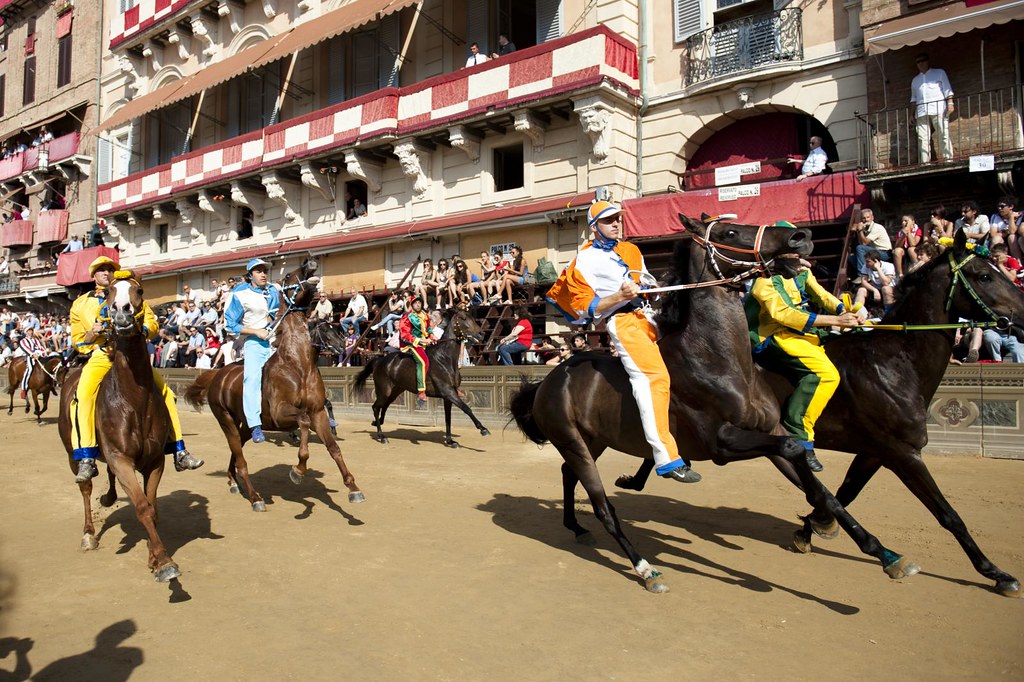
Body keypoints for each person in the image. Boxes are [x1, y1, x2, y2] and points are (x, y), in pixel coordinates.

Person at [546, 200, 700, 483]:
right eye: (609, 220)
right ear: (595, 228)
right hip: (624, 323)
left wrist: (652, 290)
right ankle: (666, 458)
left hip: (651, 316)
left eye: (618, 218)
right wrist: (619, 296)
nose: (617, 223)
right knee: (653, 379)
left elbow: (648, 282)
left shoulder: (632, 250)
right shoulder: (583, 260)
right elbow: (583, 309)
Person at [68, 256, 203, 482]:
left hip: (131, 358)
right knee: (82, 396)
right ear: (93, 276)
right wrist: (93, 332)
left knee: (167, 394)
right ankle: (86, 457)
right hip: (102, 356)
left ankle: (179, 450)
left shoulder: (130, 292)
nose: (106, 272)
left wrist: (142, 326)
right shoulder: (80, 304)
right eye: (101, 269)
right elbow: (79, 343)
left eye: (110, 269)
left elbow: (152, 325)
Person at [744, 228, 864, 472]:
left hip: (801, 333)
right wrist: (836, 322)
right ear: (779, 257)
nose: (803, 262)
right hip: (772, 336)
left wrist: (843, 311)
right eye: (795, 257)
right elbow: (786, 315)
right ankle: (799, 437)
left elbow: (822, 296)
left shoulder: (802, 272)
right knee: (825, 374)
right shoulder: (762, 283)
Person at [224, 258, 280, 444]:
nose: (263, 274)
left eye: (265, 270)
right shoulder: (239, 293)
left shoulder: (274, 290)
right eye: (258, 271)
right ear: (250, 276)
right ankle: (255, 425)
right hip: (255, 343)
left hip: (277, 341)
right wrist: (256, 331)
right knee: (252, 379)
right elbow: (230, 325)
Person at [910, 53, 954, 163]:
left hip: (938, 108)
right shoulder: (915, 80)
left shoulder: (939, 73)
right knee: (922, 138)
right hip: (921, 111)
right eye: (918, 62)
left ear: (927, 61)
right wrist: (911, 114)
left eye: (923, 60)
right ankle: (925, 162)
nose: (921, 63)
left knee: (943, 133)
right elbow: (913, 98)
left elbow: (947, 89)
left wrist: (950, 102)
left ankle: (948, 158)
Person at [398, 296, 433, 402]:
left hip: (425, 342)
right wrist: (421, 340)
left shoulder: (425, 315)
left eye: (419, 303)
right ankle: (421, 390)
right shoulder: (407, 317)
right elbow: (404, 335)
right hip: (412, 344)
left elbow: (428, 328)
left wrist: (431, 335)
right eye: (416, 303)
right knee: (423, 362)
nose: (418, 304)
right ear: (412, 305)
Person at [848, 208, 892, 281]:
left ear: (872, 218)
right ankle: (868, 273)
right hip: (873, 252)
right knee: (851, 258)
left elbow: (864, 243)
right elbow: (862, 243)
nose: (866, 219)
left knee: (860, 248)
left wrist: (860, 230)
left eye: (868, 217)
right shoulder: (865, 228)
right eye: (864, 218)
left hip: (885, 253)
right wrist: (858, 230)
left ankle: (863, 275)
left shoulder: (876, 227)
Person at [854, 249, 897, 313]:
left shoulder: (889, 266)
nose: (866, 264)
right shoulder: (866, 266)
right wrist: (875, 290)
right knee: (861, 290)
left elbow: (885, 283)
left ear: (876, 261)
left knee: (885, 289)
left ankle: (889, 313)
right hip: (875, 289)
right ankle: (858, 312)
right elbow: (864, 282)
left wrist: (878, 269)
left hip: (889, 289)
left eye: (868, 261)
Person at [17, 327, 46, 399]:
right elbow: (26, 348)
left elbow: (40, 347)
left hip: (38, 355)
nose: (31, 332)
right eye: (29, 331)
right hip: (29, 356)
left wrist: (43, 352)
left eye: (31, 331)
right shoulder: (23, 341)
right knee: (29, 369)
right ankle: (24, 388)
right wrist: (33, 354)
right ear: (26, 332)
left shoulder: (35, 340)